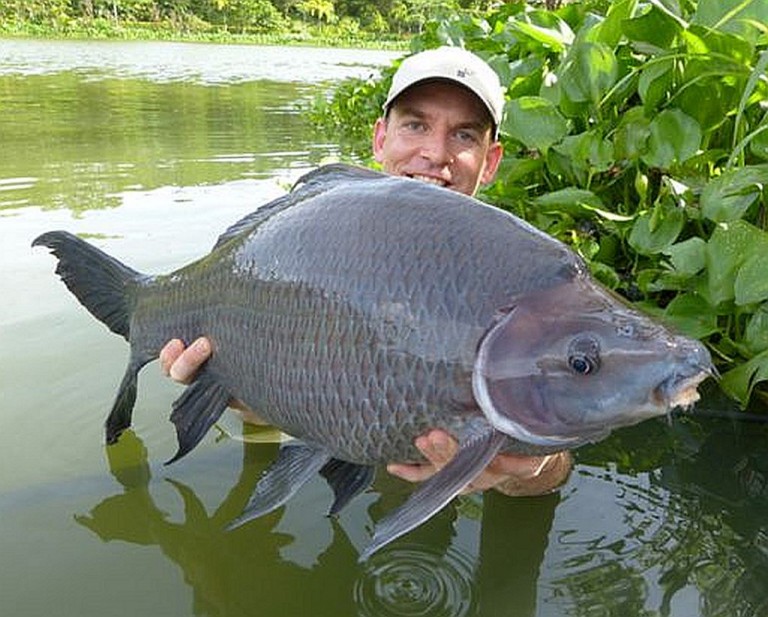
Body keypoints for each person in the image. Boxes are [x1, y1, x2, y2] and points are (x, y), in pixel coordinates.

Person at [159, 46, 573, 497]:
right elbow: (261, 415)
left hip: (435, 480)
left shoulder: (522, 274)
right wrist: (240, 395)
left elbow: (556, 470)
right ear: (380, 138)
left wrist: (529, 468)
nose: (435, 153)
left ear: (490, 162)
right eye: (416, 125)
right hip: (320, 445)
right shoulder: (304, 236)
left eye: (464, 136)